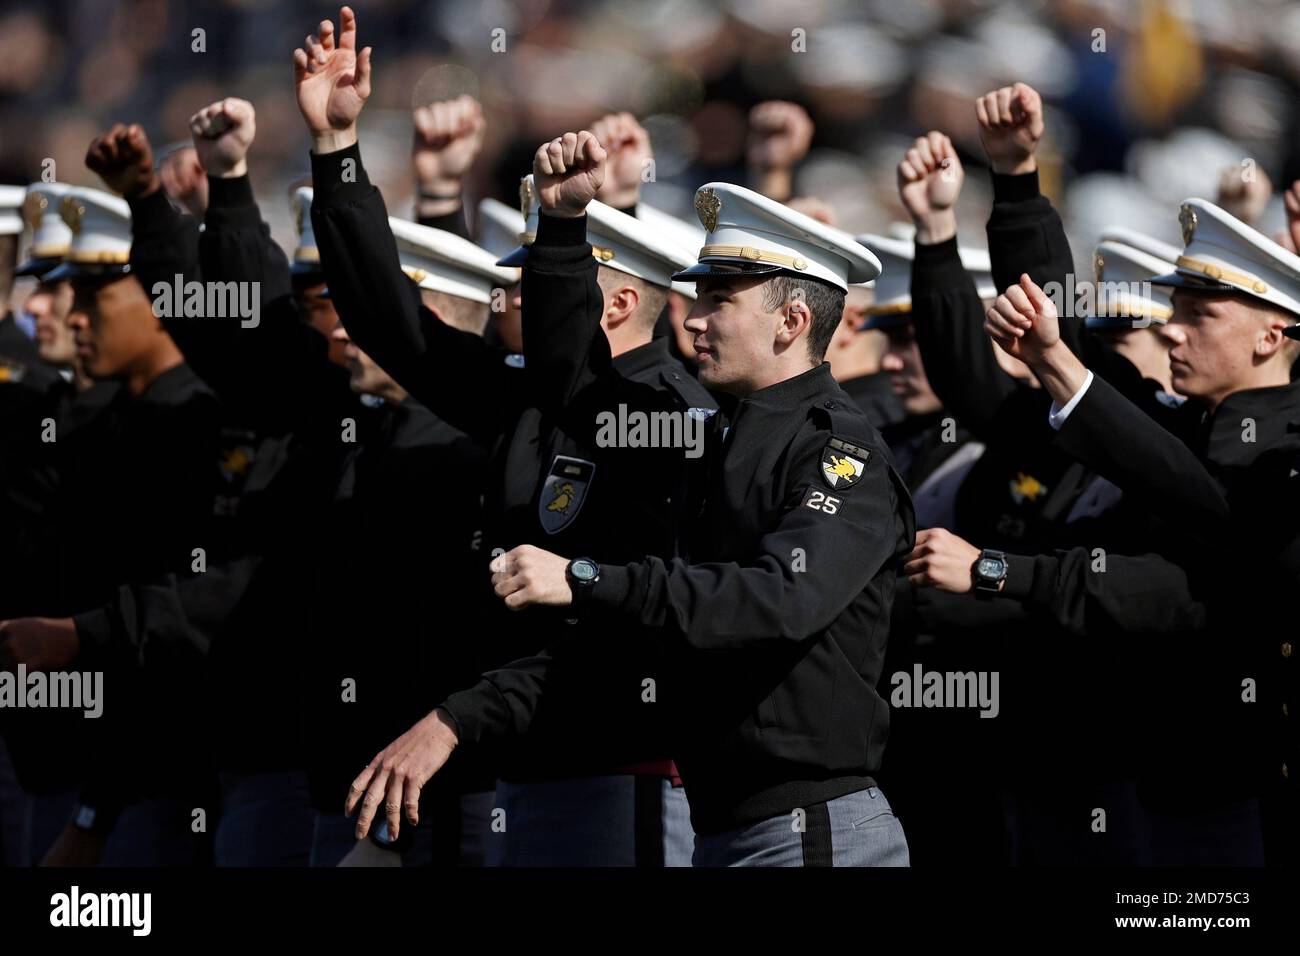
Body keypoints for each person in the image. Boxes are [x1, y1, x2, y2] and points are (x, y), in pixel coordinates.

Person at [350, 134, 917, 865]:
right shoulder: (712, 440)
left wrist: (586, 578)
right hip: (728, 822)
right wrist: (560, 226)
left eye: (720, 299)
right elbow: (568, 371)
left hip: (805, 826)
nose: (693, 319)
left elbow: (780, 600)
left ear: (792, 322)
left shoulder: (840, 449)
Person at [294, 7, 714, 866]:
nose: (506, 300)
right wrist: (339, 153)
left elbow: (623, 618)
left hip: (621, 774)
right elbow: (392, 323)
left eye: (539, 283)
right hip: (519, 768)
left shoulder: (672, 419)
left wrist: (457, 717)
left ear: (621, 303)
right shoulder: (527, 400)